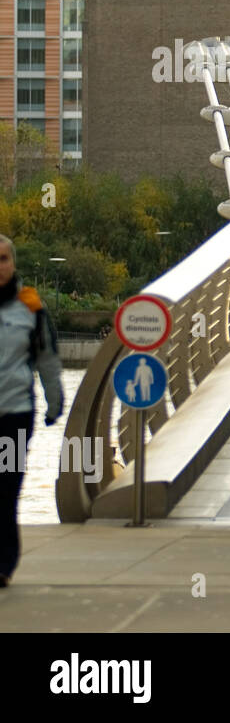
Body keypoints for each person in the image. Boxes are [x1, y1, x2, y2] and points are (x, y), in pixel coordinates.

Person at [0, 235, 63, 588]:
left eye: (4, 258)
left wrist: (55, 403)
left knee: (5, 488)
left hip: (14, 414)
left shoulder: (30, 305)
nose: (0, 267)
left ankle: (4, 563)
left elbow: (48, 358)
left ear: (13, 262)